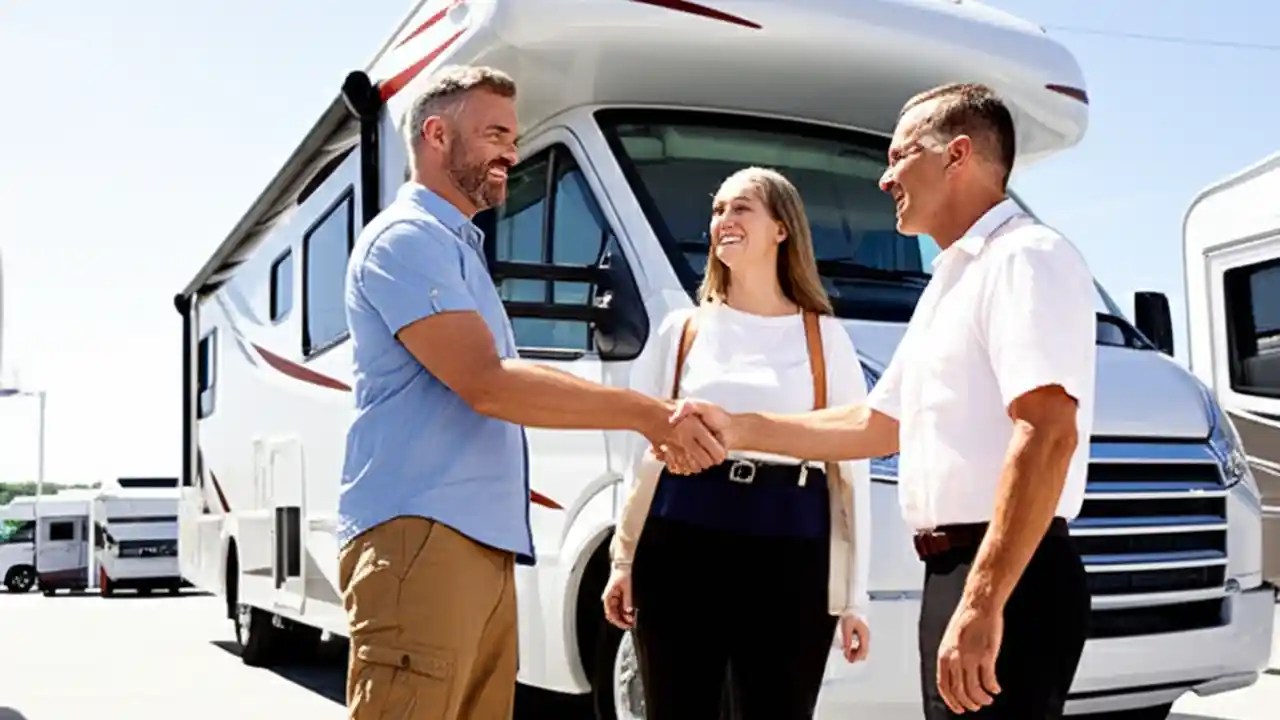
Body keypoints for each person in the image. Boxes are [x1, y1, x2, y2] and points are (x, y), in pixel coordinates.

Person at [668, 83, 1096, 719]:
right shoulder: (951, 280)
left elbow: (1047, 431)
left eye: (899, 156)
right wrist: (735, 427)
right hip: (964, 571)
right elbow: (875, 423)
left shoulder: (1024, 258)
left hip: (1007, 576)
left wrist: (983, 601)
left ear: (956, 155)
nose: (885, 177)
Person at [337, 65, 724, 720]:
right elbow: (487, 384)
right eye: (495, 134)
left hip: (473, 548)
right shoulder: (406, 241)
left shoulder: (456, 247)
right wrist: (648, 413)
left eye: (512, 138)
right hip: (422, 543)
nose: (511, 155)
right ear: (436, 134)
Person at [601, 166, 873, 719]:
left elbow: (851, 469)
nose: (723, 220)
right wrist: (622, 560)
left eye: (741, 207)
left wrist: (853, 597)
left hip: (792, 551)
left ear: (782, 229)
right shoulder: (682, 331)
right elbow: (643, 457)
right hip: (680, 541)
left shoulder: (826, 338)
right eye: (717, 209)